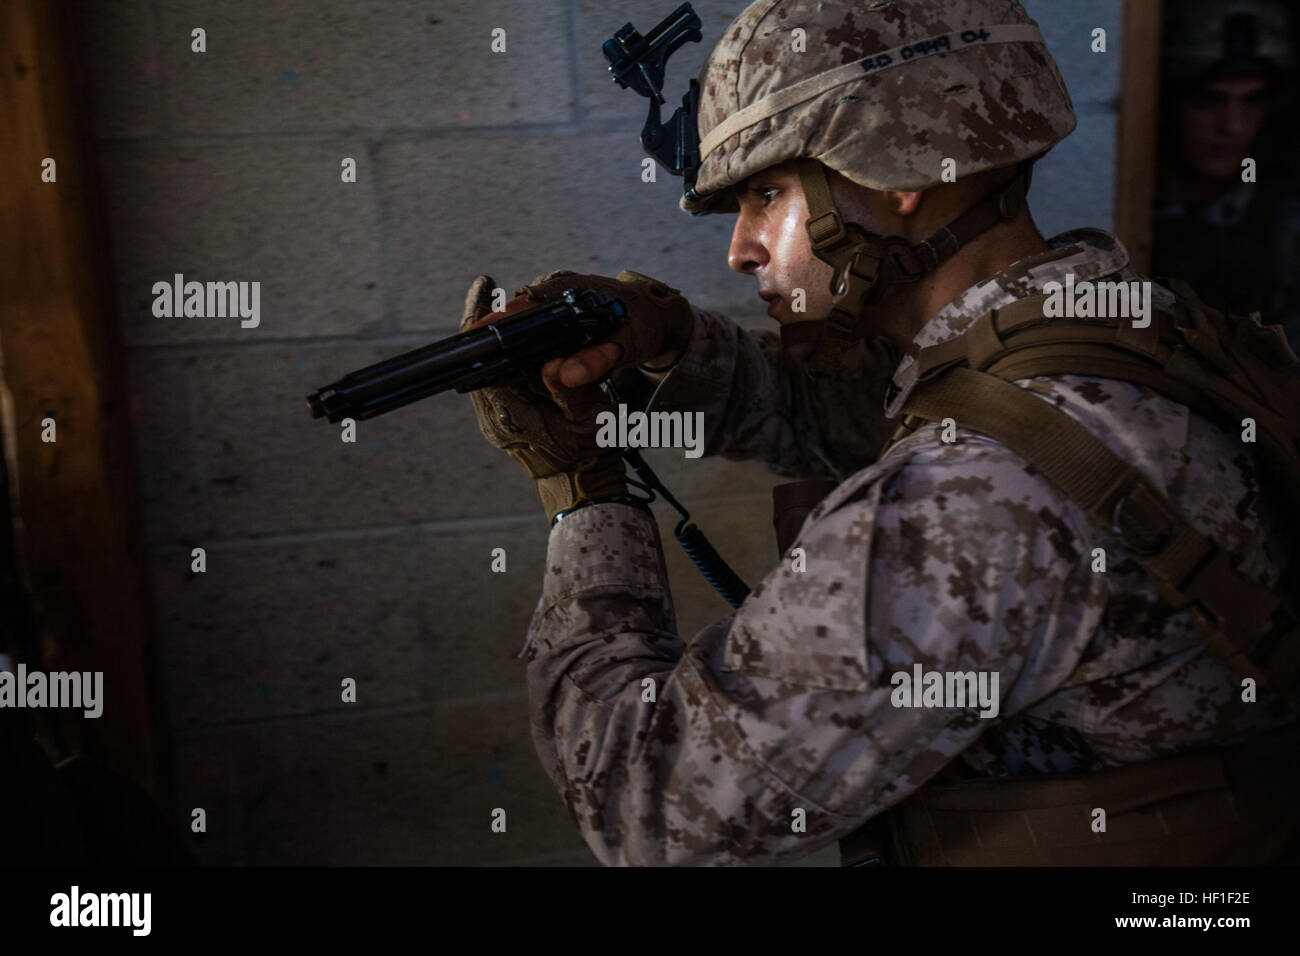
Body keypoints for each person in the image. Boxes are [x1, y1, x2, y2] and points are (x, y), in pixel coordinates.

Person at [460, 0, 1300, 865]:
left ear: (902, 171)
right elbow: (862, 419)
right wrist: (673, 343)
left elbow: (647, 802)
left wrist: (583, 494)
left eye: (766, 194)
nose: (741, 249)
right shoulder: (1124, 330)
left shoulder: (969, 504)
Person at [1152, 0, 1300, 353]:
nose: (1233, 126)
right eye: (1209, 101)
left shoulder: (1286, 223)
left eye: (1253, 100)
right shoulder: (1127, 209)